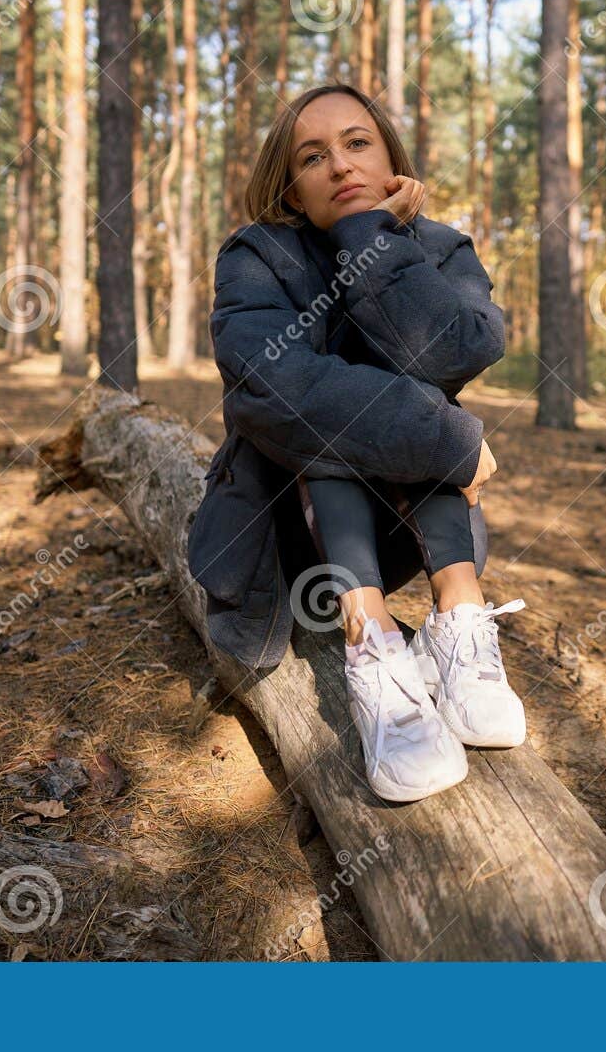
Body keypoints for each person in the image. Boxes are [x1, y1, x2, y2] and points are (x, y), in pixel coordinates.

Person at [187, 82, 528, 804]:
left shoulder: (440, 247)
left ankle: (460, 621)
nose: (339, 165)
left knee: (406, 386)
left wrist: (371, 238)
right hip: (285, 541)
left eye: (356, 143)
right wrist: (450, 440)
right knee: (328, 412)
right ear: (291, 188)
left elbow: (454, 349)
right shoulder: (255, 256)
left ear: (390, 160)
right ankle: (370, 646)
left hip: (402, 531)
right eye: (313, 156)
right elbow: (274, 389)